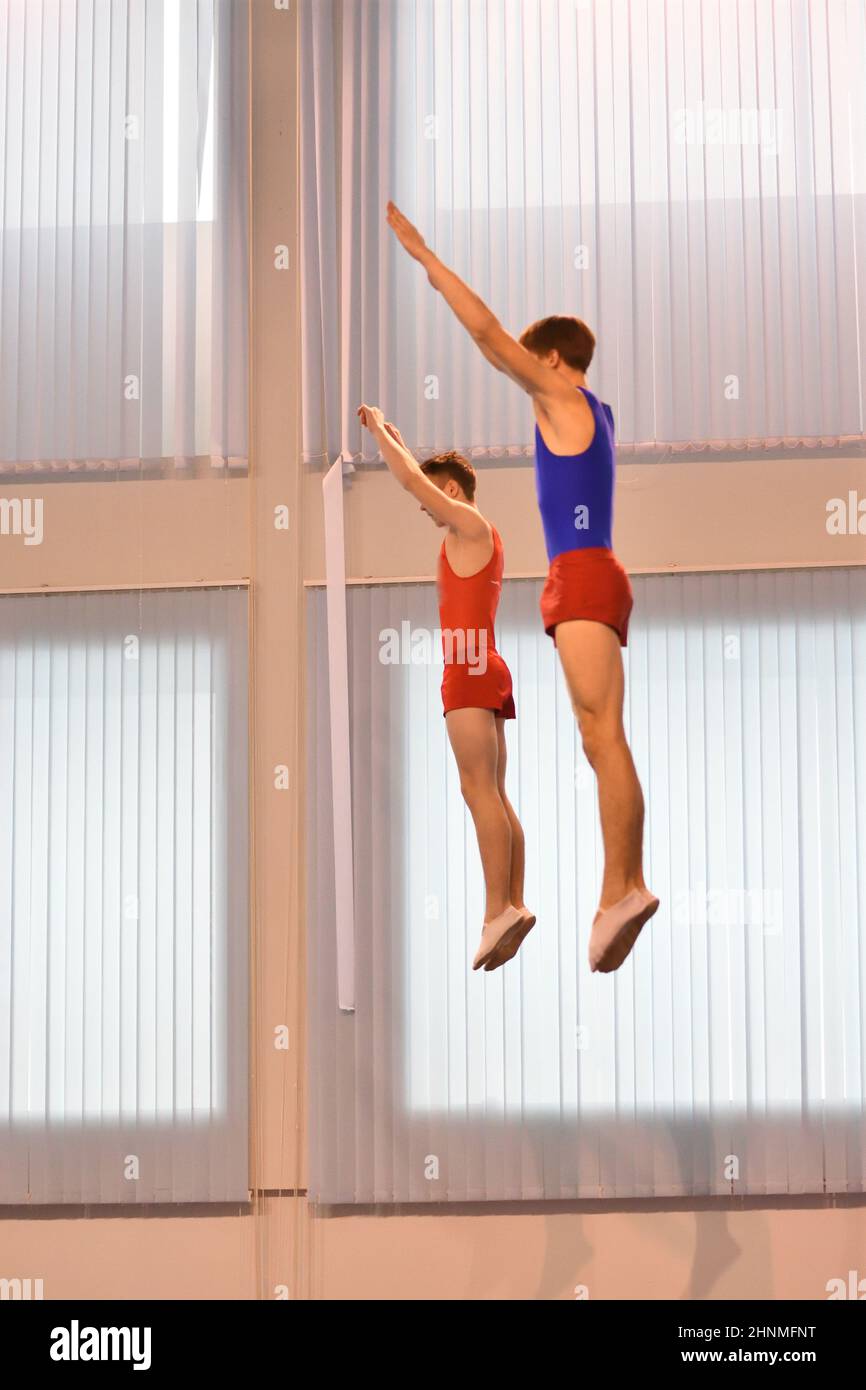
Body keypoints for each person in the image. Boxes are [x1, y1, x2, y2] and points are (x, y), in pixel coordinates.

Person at [385, 202, 658, 974]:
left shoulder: (563, 398)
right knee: (599, 735)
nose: (526, 380)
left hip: (582, 575)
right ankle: (621, 888)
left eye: (535, 368)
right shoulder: (596, 413)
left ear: (556, 364)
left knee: (602, 736)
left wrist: (428, 260)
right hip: (593, 572)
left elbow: (485, 333)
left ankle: (621, 889)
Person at [357, 404, 535, 972]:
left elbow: (411, 478)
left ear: (453, 491)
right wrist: (405, 442)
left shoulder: (470, 525)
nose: (424, 510)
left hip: (468, 669)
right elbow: (418, 477)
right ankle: (514, 903)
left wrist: (382, 434)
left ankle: (495, 912)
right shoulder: (479, 536)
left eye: (433, 501)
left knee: (476, 790)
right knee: (495, 792)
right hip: (487, 665)